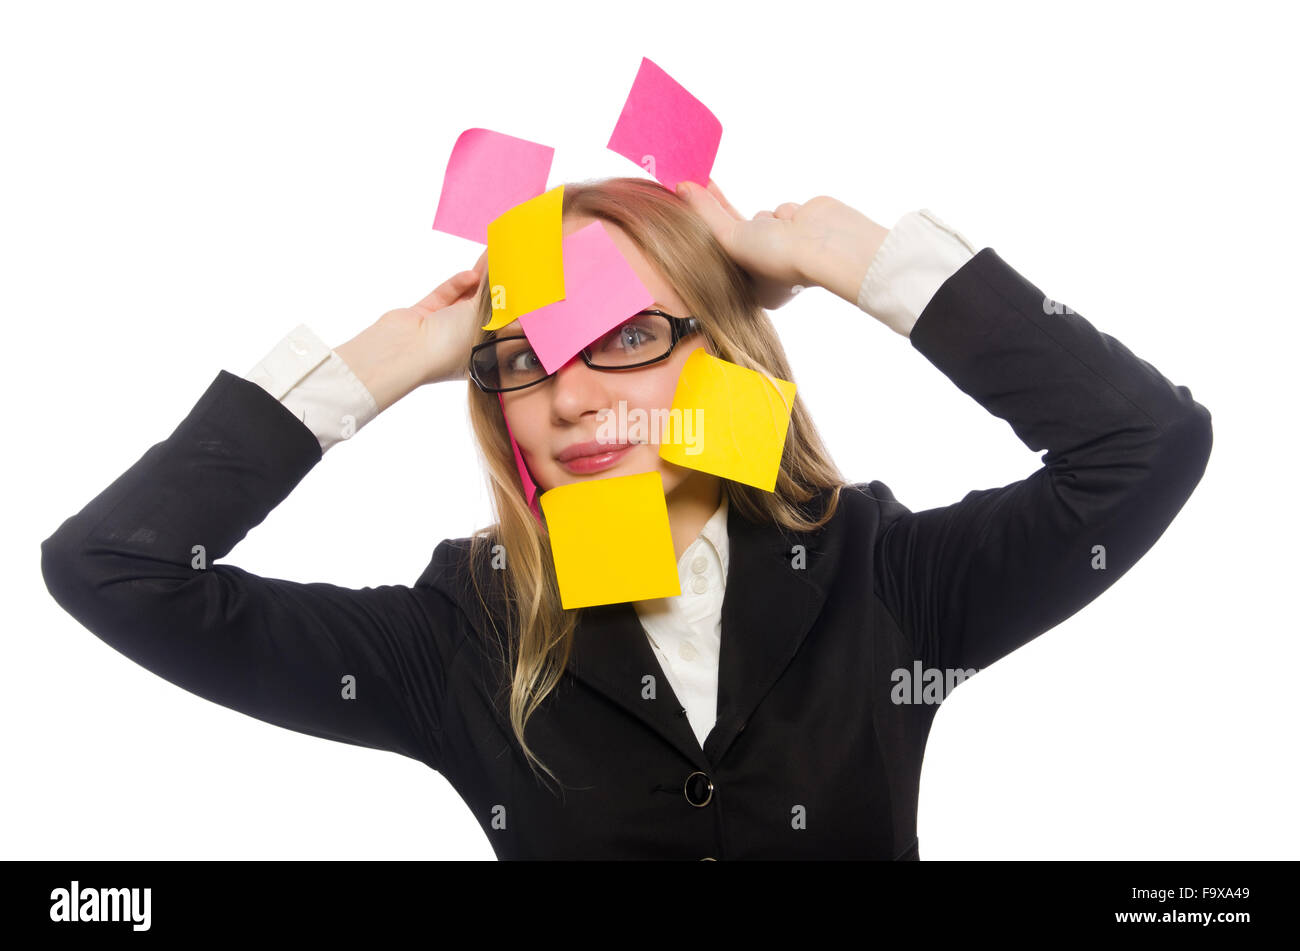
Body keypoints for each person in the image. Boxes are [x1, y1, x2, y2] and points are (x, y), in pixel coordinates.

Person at [40, 177, 1213, 860]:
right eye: (523, 360)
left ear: (726, 349)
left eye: (631, 336)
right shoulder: (464, 630)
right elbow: (112, 569)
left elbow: (1143, 445)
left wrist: (835, 254)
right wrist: (384, 362)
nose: (577, 395)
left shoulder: (882, 574)